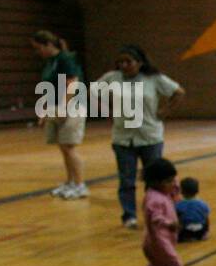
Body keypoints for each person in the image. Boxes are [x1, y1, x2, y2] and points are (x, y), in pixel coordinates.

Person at [95, 45, 185, 229]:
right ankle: (129, 215)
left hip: (149, 136)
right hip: (123, 138)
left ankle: (156, 212)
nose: (124, 65)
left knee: (154, 179)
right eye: (121, 62)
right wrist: (107, 110)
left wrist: (165, 111)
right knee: (126, 179)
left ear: (140, 63)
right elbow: (93, 91)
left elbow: (178, 92)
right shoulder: (112, 78)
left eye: (128, 61)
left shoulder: (153, 78)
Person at [31, 30, 88, 199]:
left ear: (49, 45)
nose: (37, 52)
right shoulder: (50, 62)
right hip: (56, 107)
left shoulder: (66, 59)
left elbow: (72, 83)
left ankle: (80, 185)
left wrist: (64, 106)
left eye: (39, 47)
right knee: (63, 147)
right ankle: (70, 182)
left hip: (72, 106)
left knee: (69, 147)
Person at [139, 157, 202, 266]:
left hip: (163, 239)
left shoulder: (164, 192)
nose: (173, 184)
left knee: (156, 264)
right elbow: (155, 218)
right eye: (169, 181)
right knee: (174, 262)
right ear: (156, 182)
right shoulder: (153, 199)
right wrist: (170, 224)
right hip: (158, 241)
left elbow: (175, 192)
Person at [176, 176, 210, 242]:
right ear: (197, 191)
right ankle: (203, 234)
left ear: (182, 191)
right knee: (205, 218)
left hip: (186, 230)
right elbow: (206, 218)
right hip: (200, 230)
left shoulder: (179, 205)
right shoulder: (202, 203)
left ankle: (187, 237)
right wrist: (206, 230)